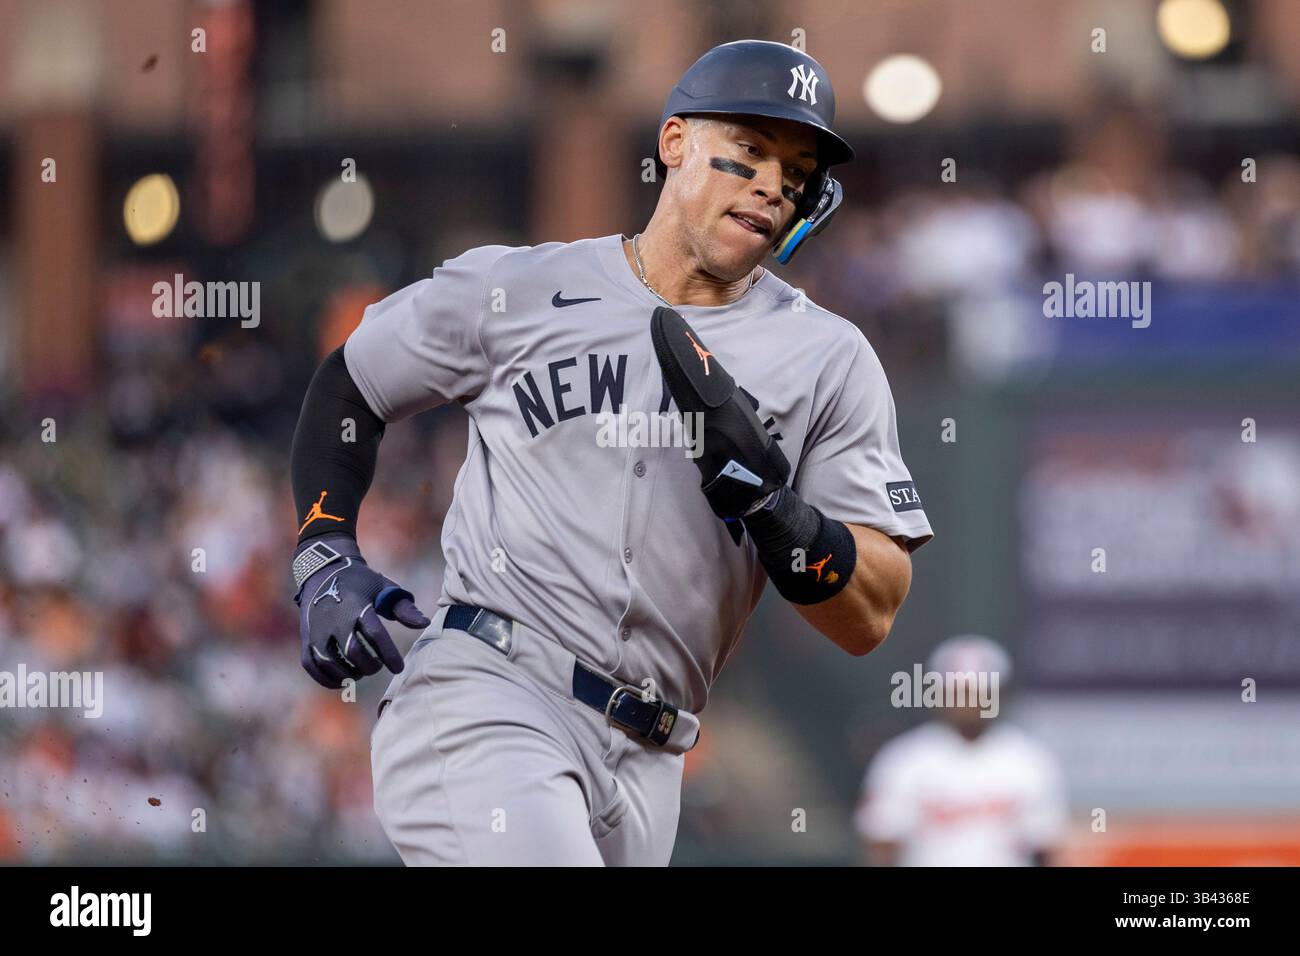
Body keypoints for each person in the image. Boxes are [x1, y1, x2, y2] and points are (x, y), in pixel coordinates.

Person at [289, 40, 932, 866]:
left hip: (654, 758)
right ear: (675, 143)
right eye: (749, 151)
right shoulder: (518, 289)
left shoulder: (830, 358)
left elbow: (871, 612)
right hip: (492, 690)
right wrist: (322, 547)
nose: (773, 182)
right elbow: (352, 382)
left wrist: (777, 510)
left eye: (797, 169)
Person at [855, 636, 1067, 866]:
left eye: (977, 691)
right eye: (958, 691)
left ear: (999, 693)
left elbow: (1047, 849)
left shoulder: (1030, 761)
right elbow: (880, 847)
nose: (967, 702)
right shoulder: (903, 759)